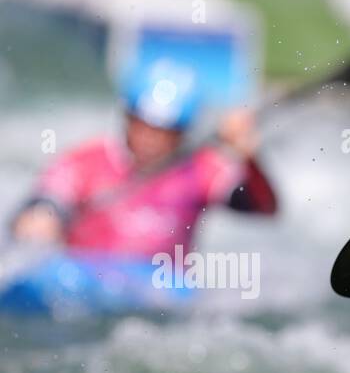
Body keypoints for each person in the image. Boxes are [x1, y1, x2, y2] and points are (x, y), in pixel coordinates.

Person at [10, 57, 277, 258]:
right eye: (143, 125)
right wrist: (41, 219)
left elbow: (265, 209)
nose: (150, 138)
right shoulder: (88, 160)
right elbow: (46, 200)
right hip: (84, 281)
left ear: (181, 133)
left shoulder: (200, 169)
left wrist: (249, 160)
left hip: (158, 290)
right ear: (128, 119)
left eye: (164, 131)